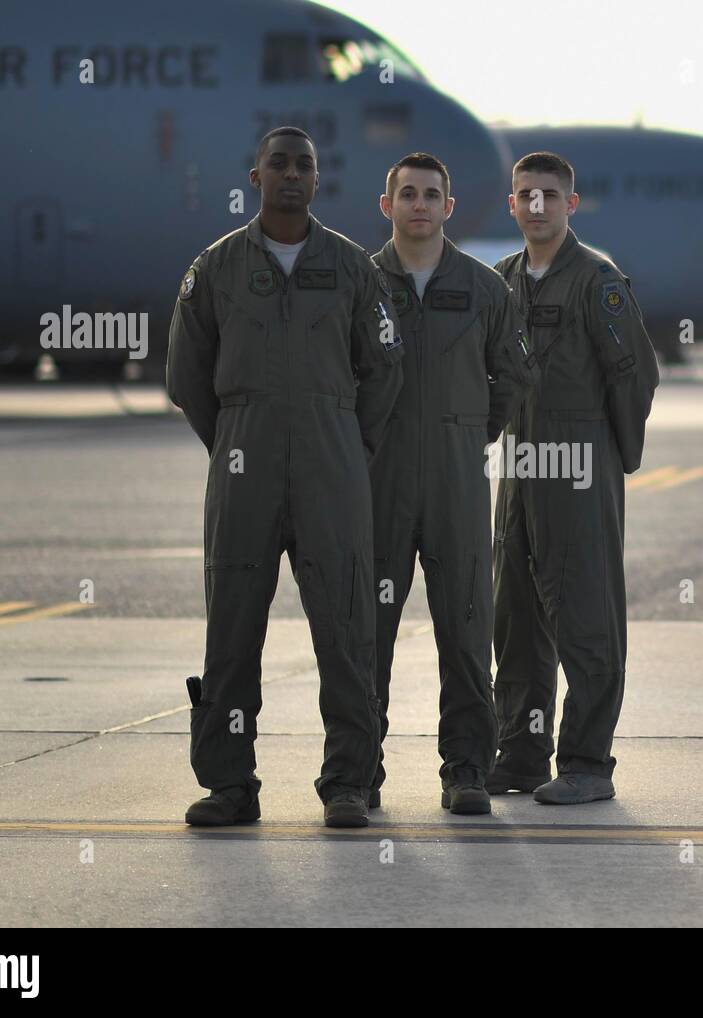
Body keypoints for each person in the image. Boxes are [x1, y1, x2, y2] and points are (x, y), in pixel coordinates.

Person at [167, 126, 403, 828]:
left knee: (345, 627)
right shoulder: (215, 269)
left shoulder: (355, 269)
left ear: (317, 180)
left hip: (333, 468)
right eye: (280, 164)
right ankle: (229, 785)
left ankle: (348, 785)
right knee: (233, 629)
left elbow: (383, 368)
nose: (292, 174)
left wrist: (343, 442)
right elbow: (186, 376)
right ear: (256, 176)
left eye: (304, 164)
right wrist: (238, 438)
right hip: (244, 468)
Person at [369, 152, 538, 815]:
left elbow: (515, 376)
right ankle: (354, 776)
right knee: (364, 634)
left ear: (448, 207)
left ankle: (466, 771)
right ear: (387, 206)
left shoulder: (483, 289)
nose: (418, 203)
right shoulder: (359, 284)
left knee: (466, 633)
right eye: (406, 193)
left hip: (457, 482)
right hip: (376, 484)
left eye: (430, 194)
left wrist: (471, 431)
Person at [489, 151, 659, 804]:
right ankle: (521, 755)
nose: (537, 206)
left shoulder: (598, 281)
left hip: (580, 468)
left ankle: (588, 763)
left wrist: (609, 458)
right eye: (526, 194)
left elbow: (634, 376)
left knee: (586, 615)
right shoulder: (498, 282)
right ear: (513, 205)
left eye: (550, 195)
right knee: (517, 618)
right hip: (518, 469)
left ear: (570, 204)